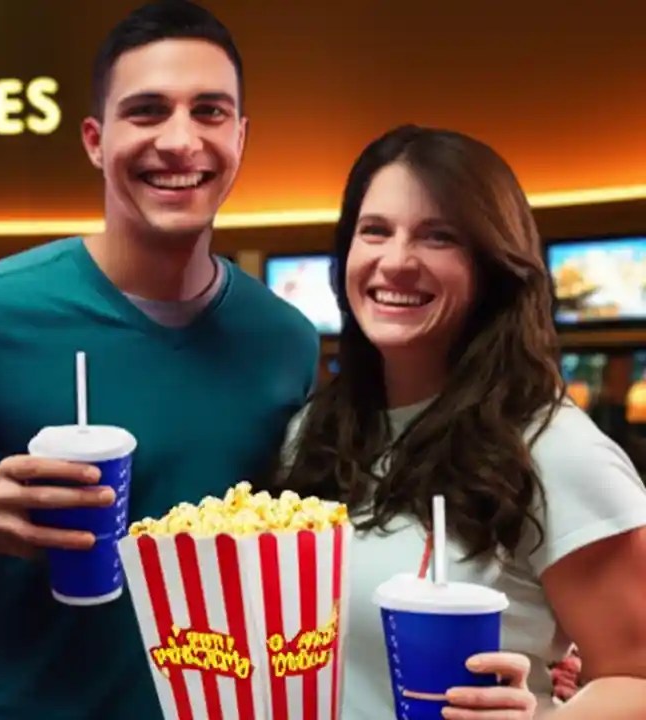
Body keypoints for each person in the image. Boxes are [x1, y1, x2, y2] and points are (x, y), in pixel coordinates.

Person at [0, 2, 319, 717]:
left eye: (209, 112)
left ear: (240, 137)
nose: (180, 141)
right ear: (94, 139)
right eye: (146, 111)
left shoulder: (286, 342)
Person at [277, 125, 646, 718]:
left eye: (438, 236)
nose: (396, 261)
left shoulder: (554, 448)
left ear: (492, 267)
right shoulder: (313, 431)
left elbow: (637, 677)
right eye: (375, 231)